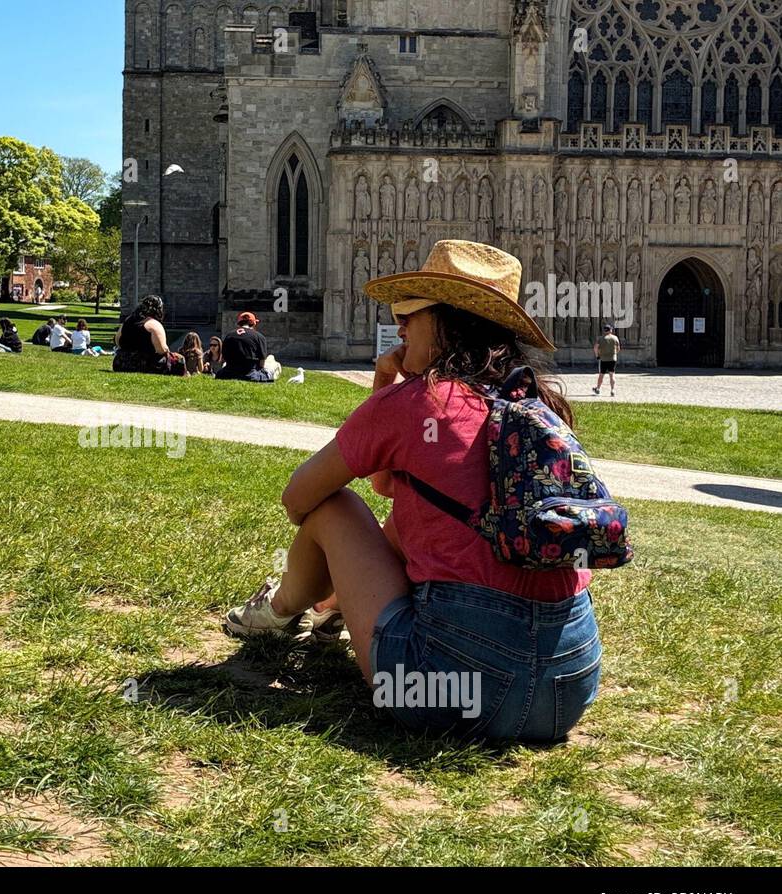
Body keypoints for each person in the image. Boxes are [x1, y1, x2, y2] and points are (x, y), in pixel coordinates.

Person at [223, 240, 602, 744]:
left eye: (410, 313)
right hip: (566, 689)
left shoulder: (416, 401)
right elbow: (393, 488)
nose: (398, 327)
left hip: (449, 694)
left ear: (446, 320)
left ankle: (276, 612)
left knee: (334, 507)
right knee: (413, 516)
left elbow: (298, 497)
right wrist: (385, 386)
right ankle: (329, 607)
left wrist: (386, 396)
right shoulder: (536, 403)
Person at [112, 295, 183, 375]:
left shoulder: (127, 321)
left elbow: (117, 341)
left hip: (121, 363)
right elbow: (161, 350)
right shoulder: (154, 324)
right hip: (146, 365)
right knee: (180, 359)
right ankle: (186, 375)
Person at [215, 312, 280, 382]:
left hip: (228, 373)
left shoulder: (229, 335)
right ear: (254, 324)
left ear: (239, 323)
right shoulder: (259, 336)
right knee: (272, 360)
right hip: (251, 375)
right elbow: (262, 363)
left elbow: (224, 358)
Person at [593, 324, 621, 397]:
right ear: (610, 330)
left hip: (603, 359)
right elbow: (618, 348)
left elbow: (595, 348)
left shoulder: (601, 338)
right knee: (612, 374)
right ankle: (612, 390)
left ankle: (598, 388)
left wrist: (597, 356)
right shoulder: (615, 338)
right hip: (612, 359)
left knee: (601, 375)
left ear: (605, 331)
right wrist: (614, 354)